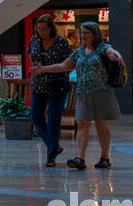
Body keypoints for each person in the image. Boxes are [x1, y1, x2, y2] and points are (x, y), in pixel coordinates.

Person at [35, 21, 123, 170]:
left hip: (101, 92)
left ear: (94, 33)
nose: (83, 36)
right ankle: (79, 158)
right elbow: (63, 66)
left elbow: (112, 53)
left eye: (86, 33)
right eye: (81, 33)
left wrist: (117, 55)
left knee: (101, 126)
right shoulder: (79, 52)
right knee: (82, 124)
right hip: (83, 93)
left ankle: (105, 158)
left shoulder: (103, 48)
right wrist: (43, 69)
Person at [28, 14, 72, 167]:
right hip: (38, 84)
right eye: (38, 29)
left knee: (54, 119)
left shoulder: (61, 42)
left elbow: (70, 62)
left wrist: (51, 69)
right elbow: (30, 53)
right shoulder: (34, 40)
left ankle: (50, 156)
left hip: (57, 83)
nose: (41, 32)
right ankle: (54, 146)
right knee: (35, 116)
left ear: (51, 28)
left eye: (44, 29)